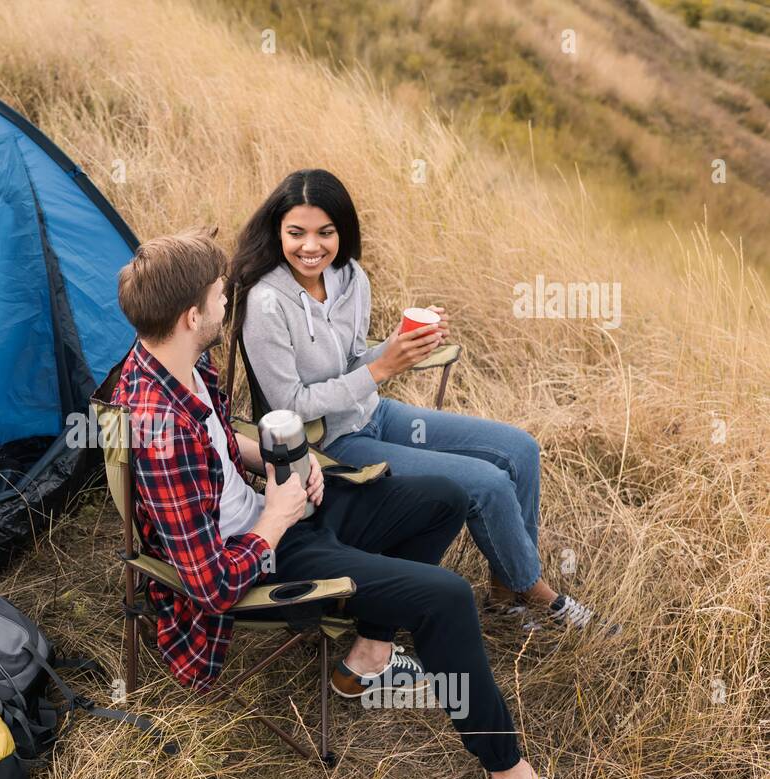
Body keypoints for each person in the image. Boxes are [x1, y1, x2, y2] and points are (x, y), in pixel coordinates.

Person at [110, 227, 614, 779]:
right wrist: (276, 515)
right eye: (220, 296)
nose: (226, 303)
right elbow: (210, 583)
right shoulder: (156, 427)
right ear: (192, 316)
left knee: (447, 498)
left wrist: (284, 462)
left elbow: (216, 439)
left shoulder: (173, 360)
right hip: (263, 556)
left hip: (279, 509)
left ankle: (366, 657)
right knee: (446, 597)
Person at [232, 169, 617, 636]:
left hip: (374, 414)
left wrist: (401, 346)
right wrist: (381, 369)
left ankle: (503, 595)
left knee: (520, 450)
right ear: (278, 231)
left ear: (342, 232)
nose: (310, 246)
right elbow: (290, 403)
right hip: (329, 443)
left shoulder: (350, 277)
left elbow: (354, 360)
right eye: (296, 233)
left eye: (325, 233)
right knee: (488, 484)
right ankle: (536, 591)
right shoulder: (266, 304)